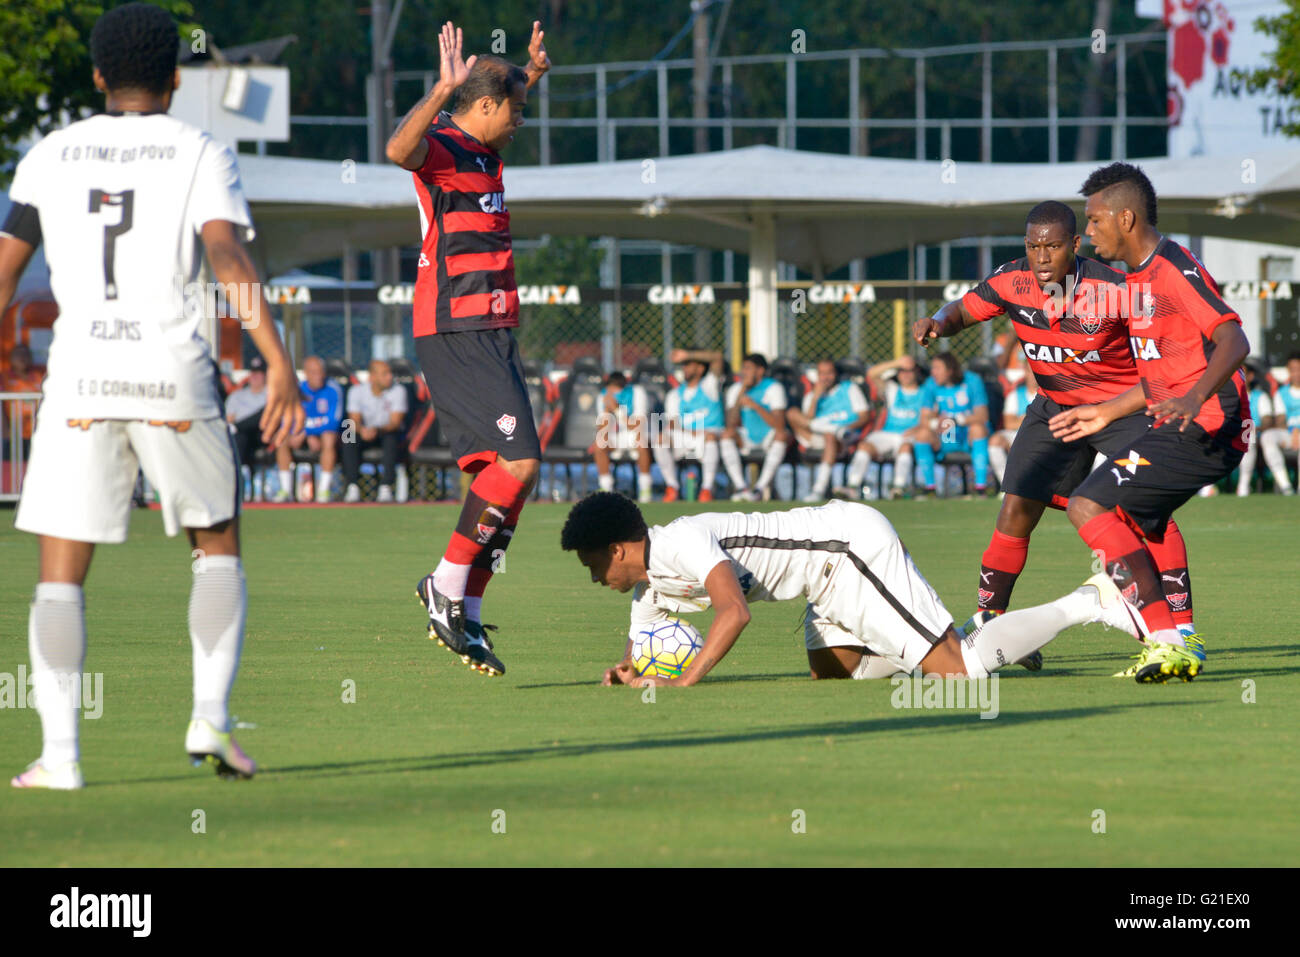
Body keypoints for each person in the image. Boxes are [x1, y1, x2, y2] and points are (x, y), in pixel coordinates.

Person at [0, 2, 302, 789]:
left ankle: (60, 757)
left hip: (79, 381)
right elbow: (228, 258)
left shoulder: (48, 154)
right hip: (172, 375)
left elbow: (3, 272)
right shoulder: (200, 149)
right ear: (176, 76)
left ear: (98, 75)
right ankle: (210, 716)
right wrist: (278, 361)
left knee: (60, 574)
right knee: (216, 546)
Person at [913, 200, 1204, 660]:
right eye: (1033, 246)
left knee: (1149, 510)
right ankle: (991, 622)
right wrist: (937, 323)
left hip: (1118, 410)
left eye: (1052, 246)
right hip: (1055, 411)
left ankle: (1181, 627)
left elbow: (1167, 346)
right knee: (1016, 510)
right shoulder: (1011, 281)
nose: (1042, 256)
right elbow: (963, 311)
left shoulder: (1115, 287)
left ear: (1074, 244)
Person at [559, 492, 1146, 688]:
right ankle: (973, 636)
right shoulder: (648, 589)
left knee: (958, 676)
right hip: (824, 579)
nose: (593, 579)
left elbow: (733, 613)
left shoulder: (683, 541)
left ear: (617, 550)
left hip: (848, 551)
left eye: (592, 566)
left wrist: (687, 680)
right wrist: (630, 672)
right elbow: (641, 649)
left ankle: (1091, 600)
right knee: (833, 671)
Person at [386, 20, 551, 676]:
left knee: (503, 481)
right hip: (456, 327)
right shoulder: (444, 144)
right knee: (517, 465)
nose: (520, 121)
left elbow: (502, 101)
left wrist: (530, 75)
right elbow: (398, 149)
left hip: (492, 331)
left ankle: (468, 609)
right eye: (516, 109)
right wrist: (440, 90)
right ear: (482, 107)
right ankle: (445, 587)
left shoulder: (485, 151)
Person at [1050, 162, 1251, 682]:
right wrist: (1106, 411)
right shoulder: (1135, 278)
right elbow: (1167, 371)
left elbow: (1234, 339)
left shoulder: (1173, 269)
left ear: (1126, 217)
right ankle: (1179, 635)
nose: (1087, 232)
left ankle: (1163, 637)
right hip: (1185, 418)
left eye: (1093, 221)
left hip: (1212, 421)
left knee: (1088, 504)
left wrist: (1195, 398)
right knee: (1143, 518)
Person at [786, 358, 872, 502]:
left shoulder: (849, 388)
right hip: (817, 435)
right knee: (792, 413)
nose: (826, 377)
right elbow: (807, 420)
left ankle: (818, 490)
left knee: (830, 436)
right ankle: (830, 429)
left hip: (844, 436)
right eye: (822, 374)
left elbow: (864, 416)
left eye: (829, 373)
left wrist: (846, 428)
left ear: (836, 374)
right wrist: (815, 398)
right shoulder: (812, 395)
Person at [844, 354, 926, 499]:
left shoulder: (925, 392)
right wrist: (896, 362)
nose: (905, 374)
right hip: (888, 433)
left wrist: (919, 429)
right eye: (902, 371)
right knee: (864, 446)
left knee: (905, 448)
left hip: (910, 435)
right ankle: (852, 487)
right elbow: (871, 374)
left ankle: (899, 488)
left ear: (916, 373)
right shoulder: (892, 389)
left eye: (909, 371)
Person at [652, 348, 726, 502]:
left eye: (688, 364)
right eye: (683, 365)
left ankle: (706, 489)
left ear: (700, 368)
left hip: (708, 433)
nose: (684, 368)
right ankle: (672, 487)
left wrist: (688, 354)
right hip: (685, 435)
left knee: (710, 437)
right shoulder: (675, 394)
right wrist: (690, 432)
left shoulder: (709, 386)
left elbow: (717, 356)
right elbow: (672, 423)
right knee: (660, 439)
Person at [910, 352, 989, 495]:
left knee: (978, 429)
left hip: (967, 436)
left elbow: (982, 416)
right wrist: (936, 424)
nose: (933, 372)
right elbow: (924, 419)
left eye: (937, 368)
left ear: (950, 370)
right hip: (946, 436)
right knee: (922, 434)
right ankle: (930, 489)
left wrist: (955, 420)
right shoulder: (931, 384)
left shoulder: (972, 381)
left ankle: (980, 488)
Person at [719, 353, 788, 502]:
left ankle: (760, 488)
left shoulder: (774, 388)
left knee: (782, 435)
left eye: (748, 368)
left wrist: (755, 406)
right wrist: (741, 393)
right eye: (743, 368)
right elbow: (731, 423)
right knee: (726, 434)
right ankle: (741, 487)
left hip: (768, 436)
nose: (744, 372)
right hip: (747, 437)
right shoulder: (736, 389)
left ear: (760, 370)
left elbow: (779, 424)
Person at [275, 355, 342, 503]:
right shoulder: (298, 390)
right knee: (281, 438)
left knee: (329, 437)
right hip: (302, 433)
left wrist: (310, 433)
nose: (318, 376)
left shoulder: (333, 389)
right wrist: (301, 433)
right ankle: (285, 490)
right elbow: (289, 418)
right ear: (305, 373)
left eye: (320, 372)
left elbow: (334, 420)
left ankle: (323, 490)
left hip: (322, 435)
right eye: (313, 372)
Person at [341, 359, 406, 503]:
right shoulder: (356, 391)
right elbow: (353, 419)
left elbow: (395, 422)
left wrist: (376, 430)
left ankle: (386, 487)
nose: (390, 377)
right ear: (372, 377)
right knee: (347, 433)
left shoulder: (398, 391)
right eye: (385, 374)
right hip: (363, 433)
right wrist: (363, 430)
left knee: (391, 436)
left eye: (389, 373)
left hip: (385, 432)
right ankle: (352, 485)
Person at [593, 371, 653, 503]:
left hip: (634, 434)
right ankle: (605, 487)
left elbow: (637, 426)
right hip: (615, 436)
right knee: (599, 444)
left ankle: (645, 487)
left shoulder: (637, 392)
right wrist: (606, 411)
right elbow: (602, 430)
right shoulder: (602, 396)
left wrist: (616, 409)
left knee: (640, 441)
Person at [225, 355, 269, 495]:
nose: (256, 377)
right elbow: (228, 418)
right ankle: (239, 477)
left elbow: (266, 418)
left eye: (259, 373)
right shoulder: (237, 396)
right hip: (238, 436)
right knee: (238, 435)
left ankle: (242, 478)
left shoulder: (271, 394)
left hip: (261, 434)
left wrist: (237, 425)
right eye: (253, 373)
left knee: (250, 423)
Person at [1258, 351, 1300, 495]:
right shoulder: (1281, 393)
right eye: (1293, 370)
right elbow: (1281, 420)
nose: (1296, 374)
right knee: (1268, 436)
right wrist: (1294, 430)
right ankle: (1285, 486)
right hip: (1290, 435)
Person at [989, 367, 1038, 488]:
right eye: (1030, 371)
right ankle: (1007, 486)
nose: (1033, 376)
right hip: (1018, 434)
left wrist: (1023, 419)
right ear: (1025, 373)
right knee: (995, 441)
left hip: (1041, 435)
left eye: (1036, 371)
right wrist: (1032, 420)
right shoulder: (1016, 395)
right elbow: (1009, 423)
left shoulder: (1051, 395)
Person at [1235, 361, 1276, 497]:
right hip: (1231, 435)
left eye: (1242, 373)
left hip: (1252, 435)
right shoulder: (1228, 397)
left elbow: (1267, 421)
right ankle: (1207, 488)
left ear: (1250, 376)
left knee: (1248, 433)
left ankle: (1243, 487)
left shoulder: (1260, 397)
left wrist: (1254, 428)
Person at [0, 343, 43, 462]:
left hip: (36, 432)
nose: (22, 358)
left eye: (25, 354)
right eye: (18, 355)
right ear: (11, 358)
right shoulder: (4, 378)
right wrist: (4, 427)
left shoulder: (39, 377)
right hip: (13, 434)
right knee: (10, 470)